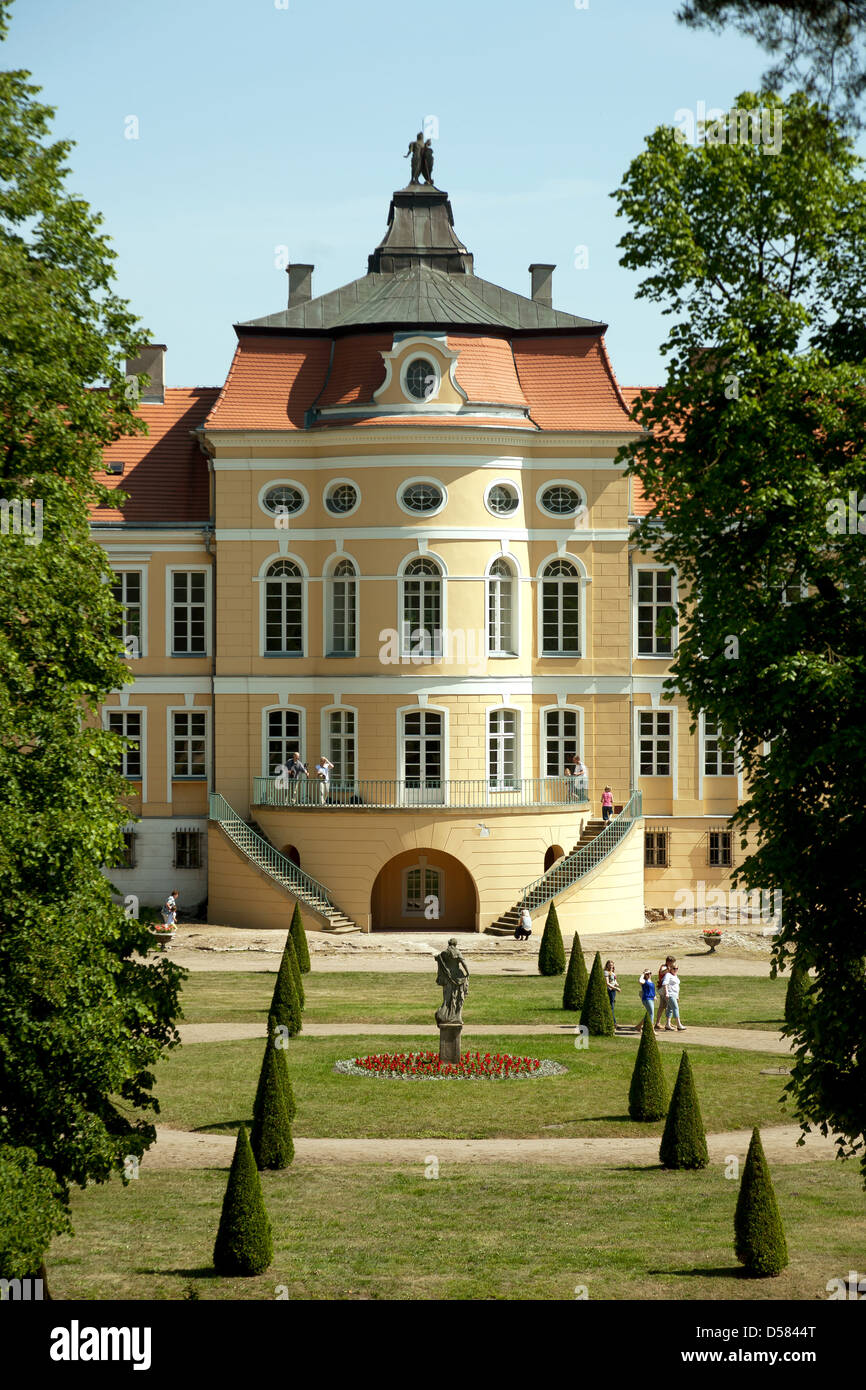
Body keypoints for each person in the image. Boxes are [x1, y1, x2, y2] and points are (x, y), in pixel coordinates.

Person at [662, 964, 686, 1031]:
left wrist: (677, 996)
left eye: (677, 968)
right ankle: (679, 1025)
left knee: (670, 1009)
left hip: (674, 995)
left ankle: (667, 1024)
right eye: (674, 968)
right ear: (670, 969)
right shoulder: (668, 975)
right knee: (676, 1008)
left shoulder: (675, 976)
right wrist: (666, 993)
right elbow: (665, 984)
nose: (675, 970)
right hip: (670, 994)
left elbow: (676, 986)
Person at [654, 957, 675, 1030]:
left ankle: (664, 1022)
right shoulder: (664, 967)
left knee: (664, 1006)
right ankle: (663, 1023)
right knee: (666, 1006)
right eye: (672, 962)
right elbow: (661, 972)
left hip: (664, 989)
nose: (673, 964)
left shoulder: (667, 967)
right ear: (668, 962)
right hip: (663, 989)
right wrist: (669, 969)